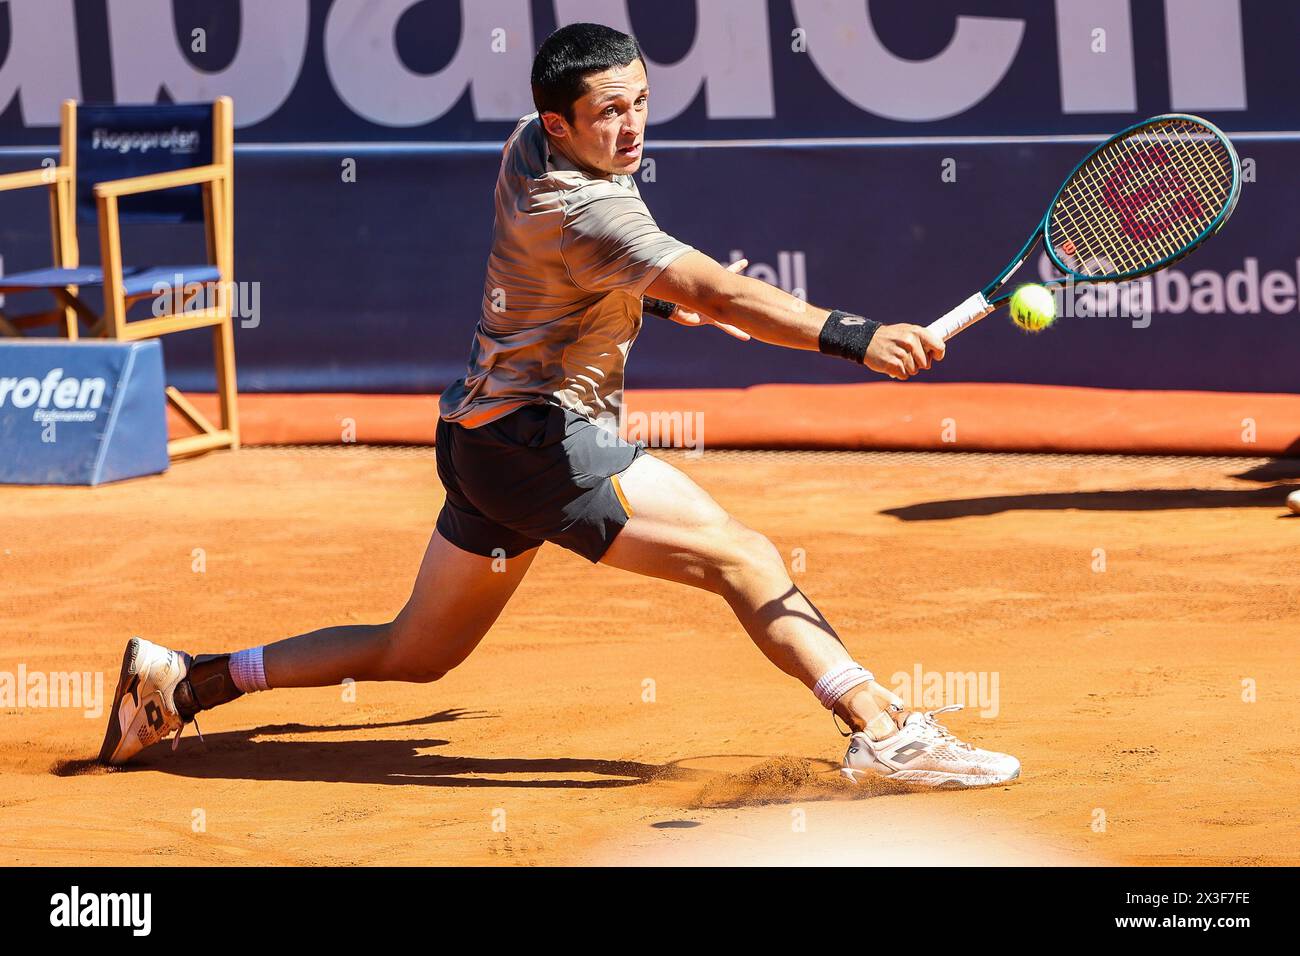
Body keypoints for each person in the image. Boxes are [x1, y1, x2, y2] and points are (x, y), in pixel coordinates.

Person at [100, 23, 1019, 789]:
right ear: (560, 121)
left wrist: (659, 301)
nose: (629, 128)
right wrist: (855, 334)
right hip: (545, 441)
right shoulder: (590, 211)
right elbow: (722, 289)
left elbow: (600, 281)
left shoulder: (527, 145)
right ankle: (881, 729)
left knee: (415, 653)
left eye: (640, 103)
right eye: (608, 113)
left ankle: (182, 684)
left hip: (480, 439)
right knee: (742, 557)